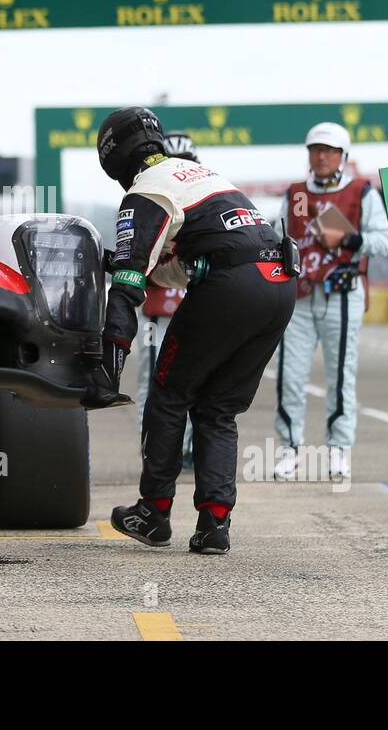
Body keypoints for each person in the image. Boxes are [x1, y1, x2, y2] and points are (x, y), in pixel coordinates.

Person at [95, 107, 296, 555]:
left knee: (169, 393)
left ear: (114, 159)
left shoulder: (145, 191)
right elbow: (185, 267)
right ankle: (214, 526)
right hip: (280, 284)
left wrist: (110, 358)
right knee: (219, 408)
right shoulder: (200, 174)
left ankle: (153, 513)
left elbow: (129, 282)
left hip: (232, 287)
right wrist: (134, 265)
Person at [272, 122, 388, 481]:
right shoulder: (294, 193)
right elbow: (279, 239)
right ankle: (290, 449)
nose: (321, 156)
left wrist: (349, 240)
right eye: (315, 150)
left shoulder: (361, 191)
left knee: (341, 374)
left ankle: (338, 449)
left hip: (343, 292)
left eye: (328, 150)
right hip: (301, 295)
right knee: (289, 376)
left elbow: (384, 243)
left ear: (343, 156)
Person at [137, 131, 198, 466]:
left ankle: (188, 449)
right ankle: (153, 450)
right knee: (153, 383)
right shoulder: (150, 196)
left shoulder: (206, 199)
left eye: (186, 163)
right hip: (159, 309)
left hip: (197, 305)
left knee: (195, 382)